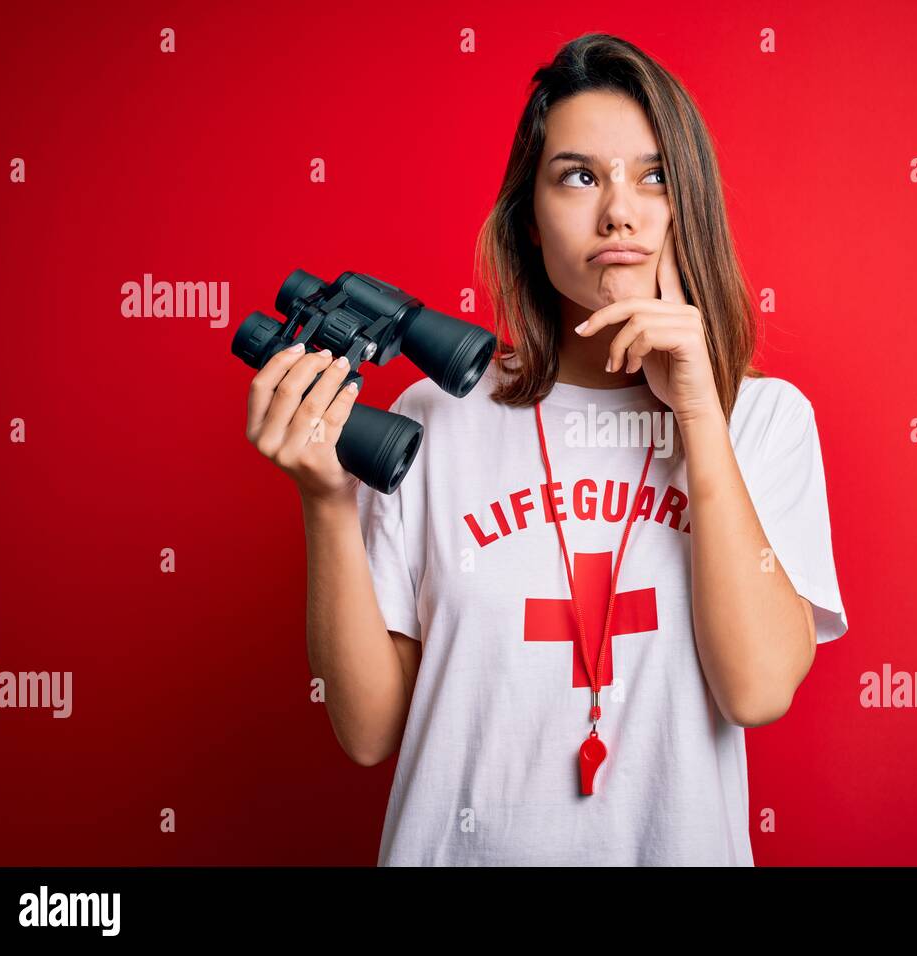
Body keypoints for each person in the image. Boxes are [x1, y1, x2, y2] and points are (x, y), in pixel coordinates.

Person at [244, 33, 848, 866]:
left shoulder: (765, 419)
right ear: (529, 219)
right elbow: (369, 730)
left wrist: (702, 416)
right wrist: (324, 498)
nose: (619, 212)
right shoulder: (435, 415)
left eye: (654, 176)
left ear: (690, 205)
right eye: (578, 176)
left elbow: (756, 687)